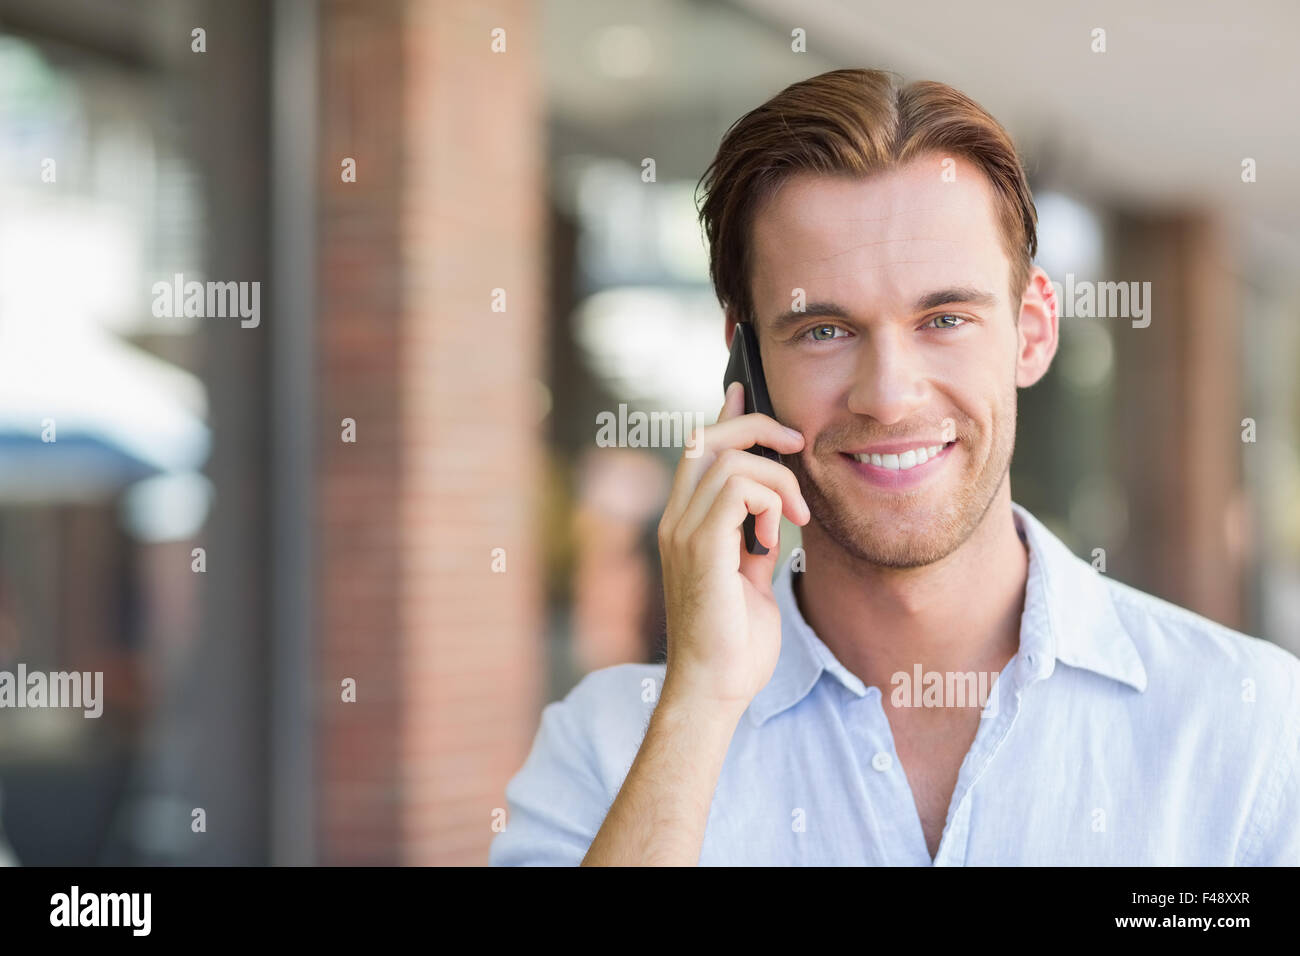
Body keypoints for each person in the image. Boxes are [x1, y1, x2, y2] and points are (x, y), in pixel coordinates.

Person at [490, 68, 1300, 866]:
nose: (888, 396)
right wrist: (701, 702)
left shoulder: (1252, 728)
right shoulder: (608, 749)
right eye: (824, 331)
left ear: (1031, 331)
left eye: (944, 318)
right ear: (746, 358)